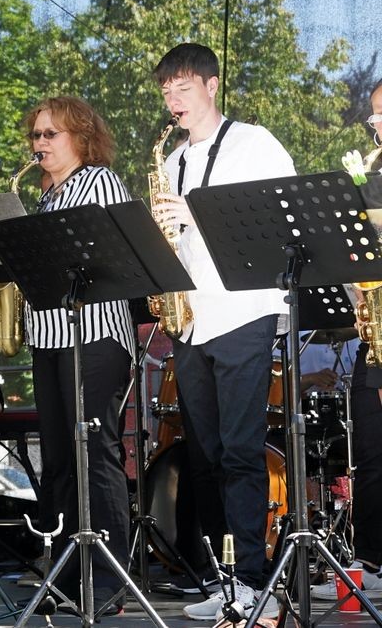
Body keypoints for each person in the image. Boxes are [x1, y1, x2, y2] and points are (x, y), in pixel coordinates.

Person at [151, 43, 295, 622]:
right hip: (191, 321)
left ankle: (252, 584)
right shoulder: (172, 159)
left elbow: (273, 217)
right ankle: (223, 579)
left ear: (213, 85)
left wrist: (193, 213)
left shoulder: (254, 144)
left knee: (239, 453)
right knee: (206, 457)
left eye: (183, 88)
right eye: (166, 90)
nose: (173, 100)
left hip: (243, 311)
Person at [20, 96, 135, 613]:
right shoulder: (47, 195)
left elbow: (109, 256)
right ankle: (68, 574)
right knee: (61, 461)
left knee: (94, 452)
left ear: (81, 137)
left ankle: (110, 581)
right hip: (48, 337)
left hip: (92, 334)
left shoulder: (98, 182)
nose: (41, 143)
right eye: (37, 135)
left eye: (52, 134)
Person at [310, 80, 382, 600]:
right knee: (373, 450)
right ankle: (373, 561)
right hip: (374, 335)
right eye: (374, 116)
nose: (375, 126)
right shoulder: (374, 177)